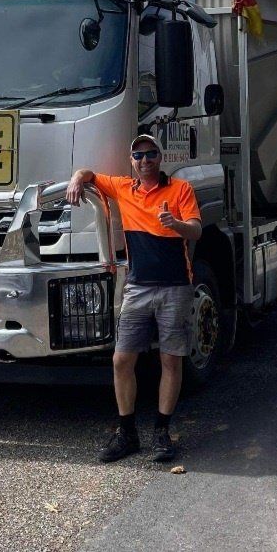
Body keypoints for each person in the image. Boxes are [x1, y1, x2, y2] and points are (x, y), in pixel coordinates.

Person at [66, 134, 202, 463]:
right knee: (121, 360)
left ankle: (162, 432)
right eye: (138, 155)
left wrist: (176, 224)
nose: (145, 160)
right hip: (138, 288)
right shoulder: (124, 188)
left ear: (160, 157)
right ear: (132, 161)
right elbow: (89, 173)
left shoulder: (180, 189)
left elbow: (197, 230)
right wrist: (76, 178)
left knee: (171, 360)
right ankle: (127, 433)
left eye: (151, 154)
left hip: (174, 287)